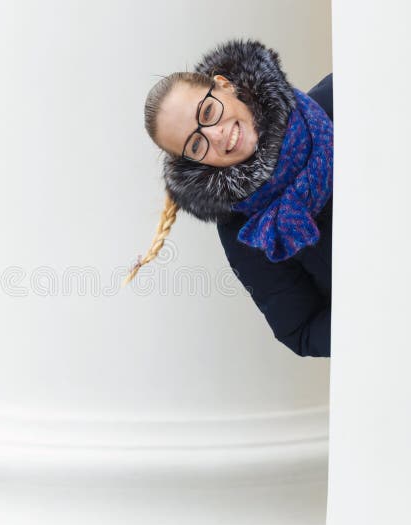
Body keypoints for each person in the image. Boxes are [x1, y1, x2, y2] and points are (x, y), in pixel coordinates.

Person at [123, 38, 333, 358]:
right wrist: (377, 319)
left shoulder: (339, 97)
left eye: (208, 111)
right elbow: (302, 329)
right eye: (196, 145)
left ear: (224, 85)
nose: (215, 134)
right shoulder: (244, 233)